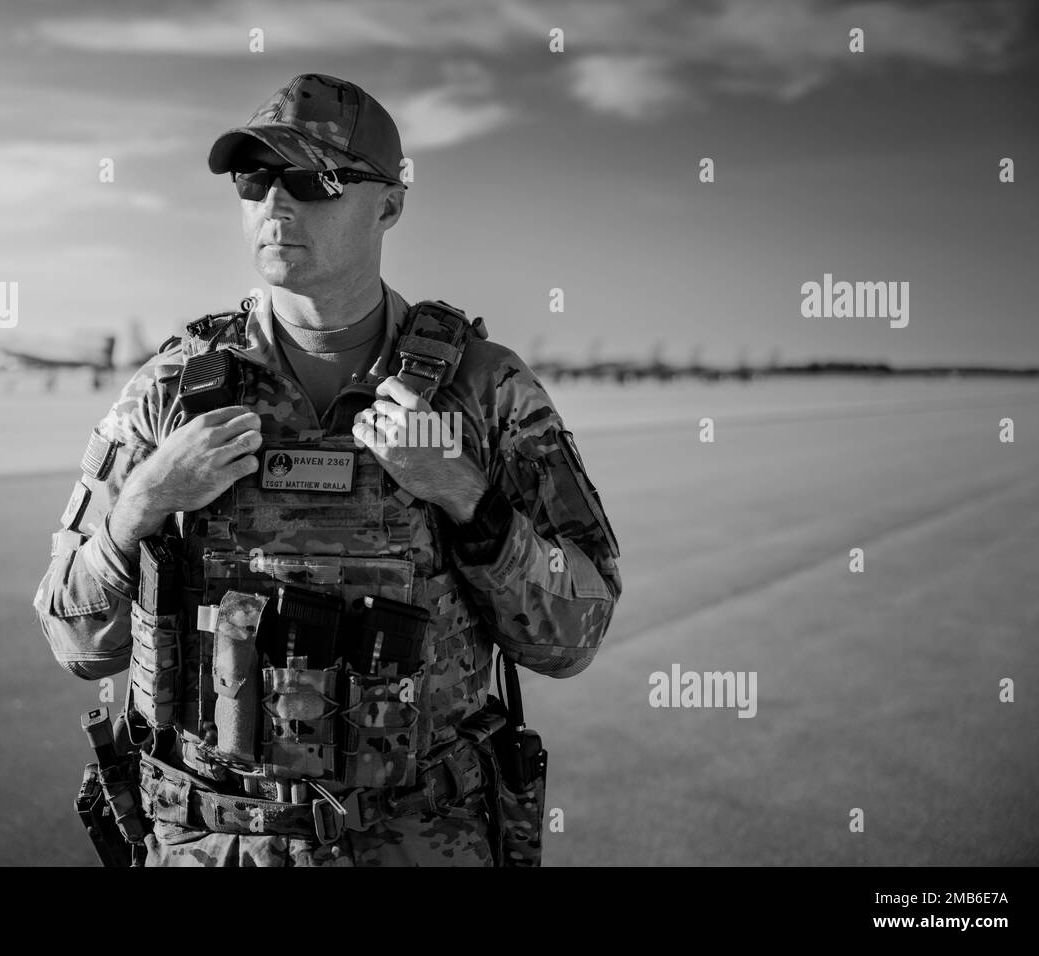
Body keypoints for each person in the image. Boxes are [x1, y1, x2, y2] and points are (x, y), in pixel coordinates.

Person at [33, 72, 622, 867]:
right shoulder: (172, 391)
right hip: (214, 844)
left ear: (390, 204)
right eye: (255, 179)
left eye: (314, 180)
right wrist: (142, 502)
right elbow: (76, 644)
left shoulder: (484, 390)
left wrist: (465, 498)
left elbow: (574, 637)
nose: (276, 205)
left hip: (418, 841)